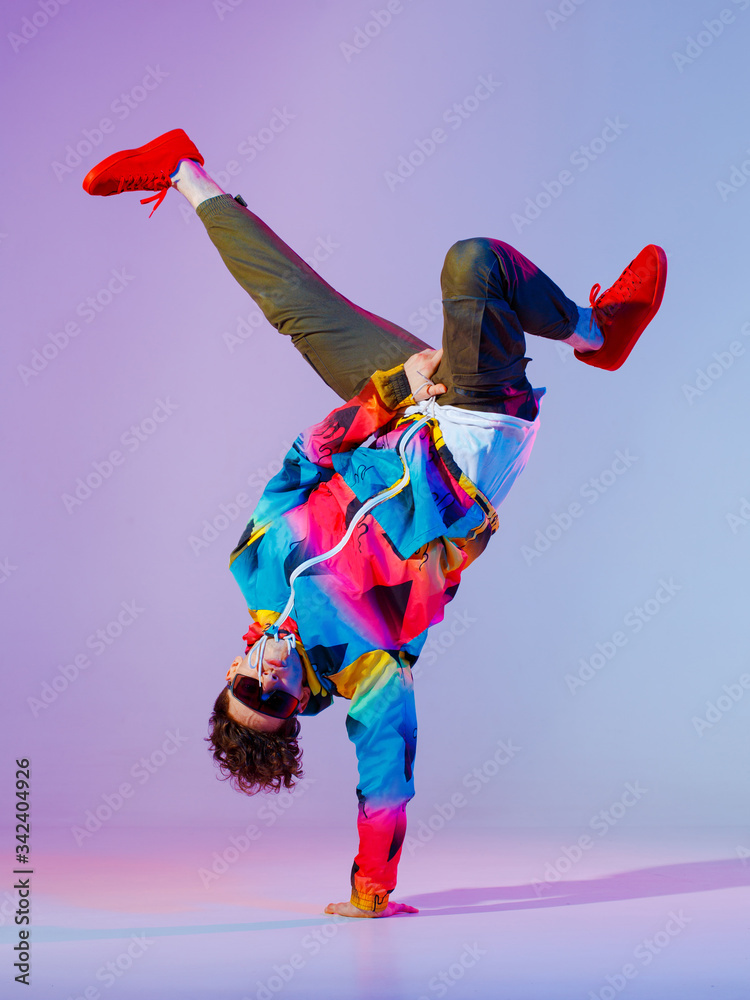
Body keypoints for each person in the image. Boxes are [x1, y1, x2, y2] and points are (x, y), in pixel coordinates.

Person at [83, 128, 667, 918]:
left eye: (249, 681)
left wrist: (391, 389)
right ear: (297, 706)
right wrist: (370, 893)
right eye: (278, 694)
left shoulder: (251, 566)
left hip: (400, 409)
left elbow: (305, 458)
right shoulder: (370, 673)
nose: (270, 671)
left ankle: (184, 170)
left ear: (233, 671)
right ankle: (599, 334)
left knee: (291, 306)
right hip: (467, 445)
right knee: (474, 263)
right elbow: (385, 780)